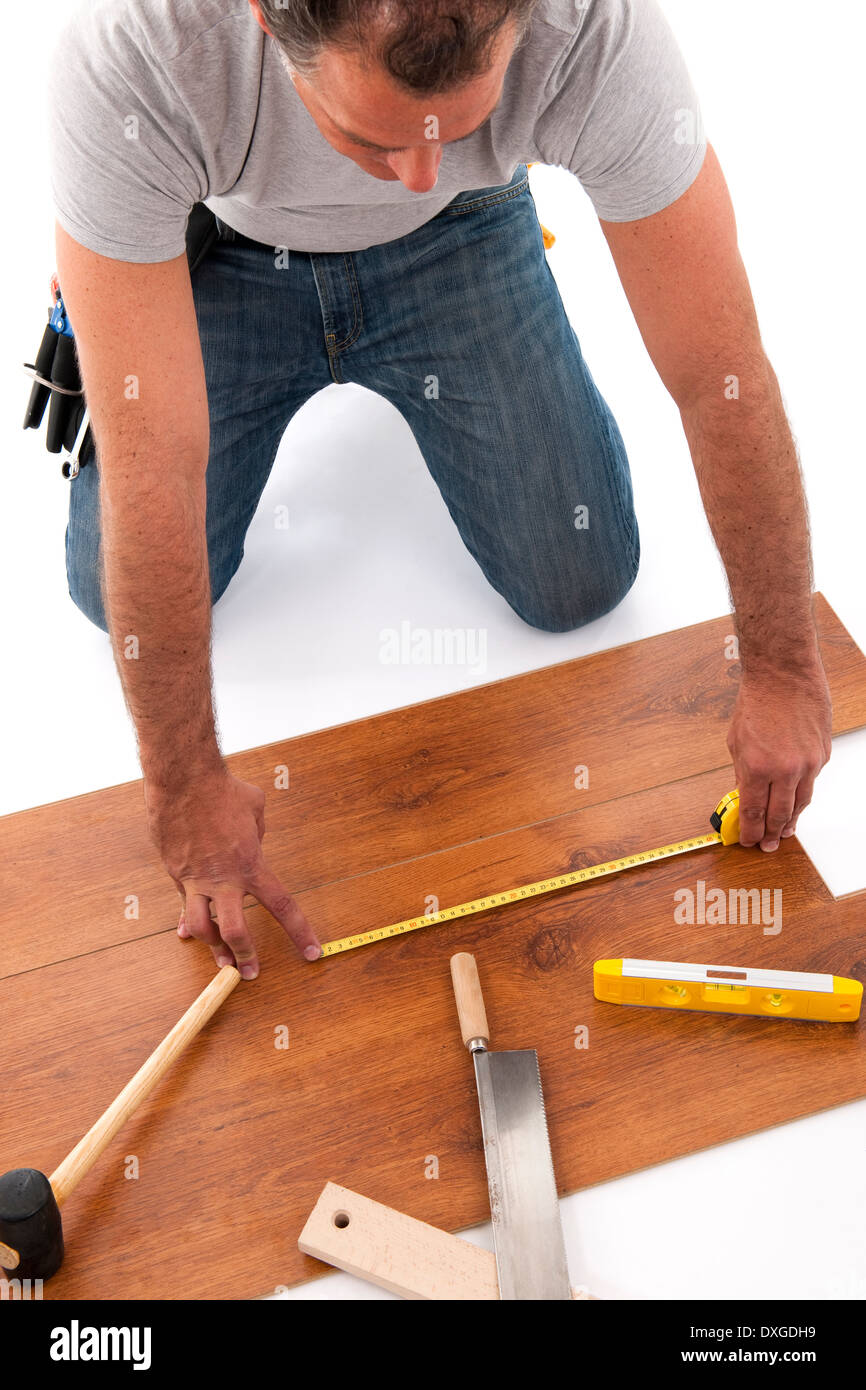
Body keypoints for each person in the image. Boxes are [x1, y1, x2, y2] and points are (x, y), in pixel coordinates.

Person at [50, 0, 831, 979]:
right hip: (220, 247)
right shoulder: (139, 51)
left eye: (455, 125)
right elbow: (152, 459)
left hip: (460, 231)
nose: (415, 166)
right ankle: (106, 268)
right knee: (100, 583)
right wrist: (183, 787)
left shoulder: (594, 32)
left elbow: (720, 371)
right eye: (369, 136)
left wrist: (783, 673)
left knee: (579, 577)